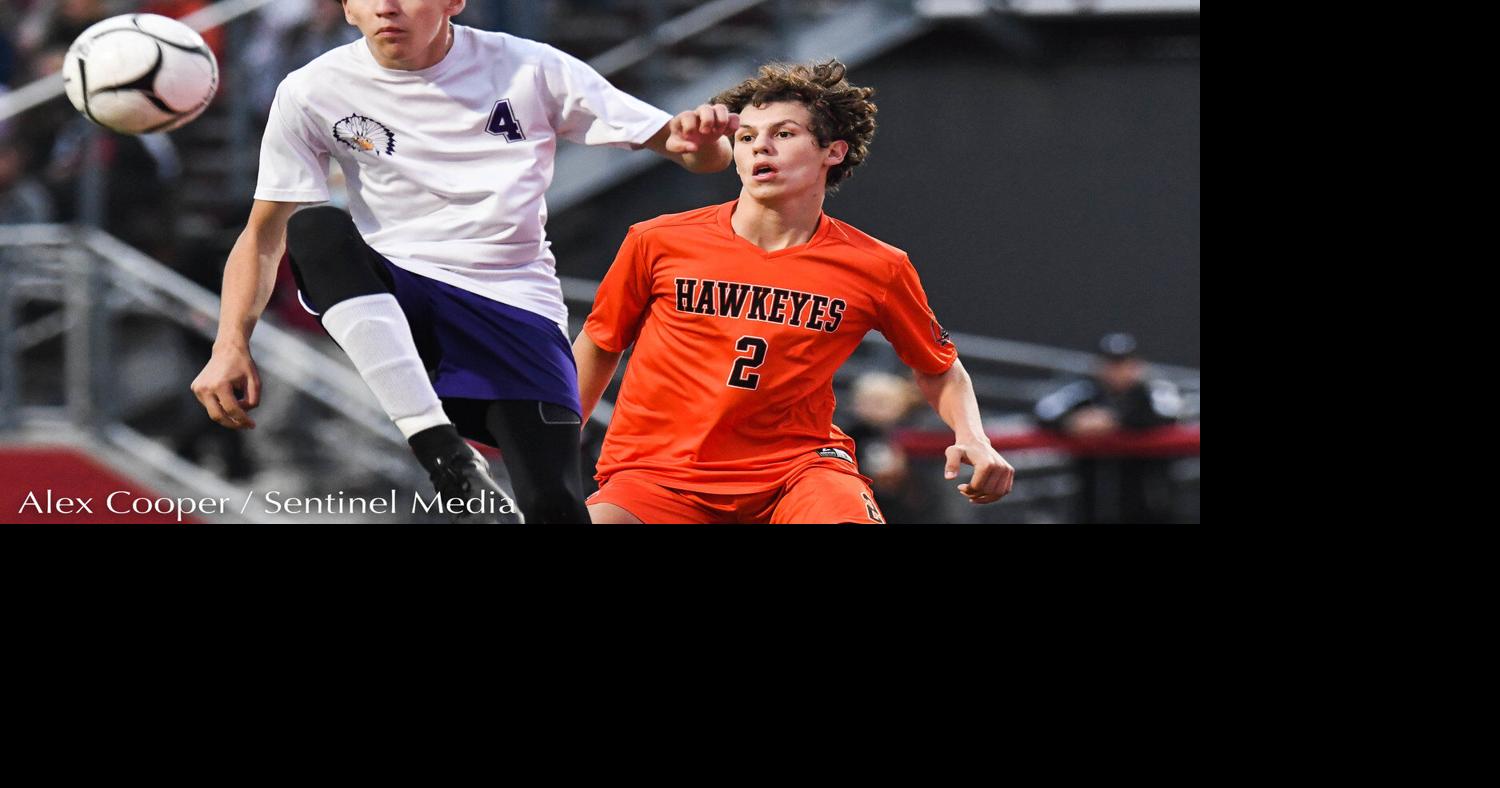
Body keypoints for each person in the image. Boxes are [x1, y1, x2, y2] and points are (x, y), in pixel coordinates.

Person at [189, 0, 737, 523]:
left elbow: (693, 154)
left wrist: (706, 141)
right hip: (402, 297)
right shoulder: (311, 90)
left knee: (554, 506)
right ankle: (444, 454)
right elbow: (262, 237)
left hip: (516, 305)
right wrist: (230, 343)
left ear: (453, 2)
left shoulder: (531, 67)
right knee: (312, 226)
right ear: (346, 9)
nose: (386, 10)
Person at [573, 59, 1015, 524]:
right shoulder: (657, 240)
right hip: (657, 474)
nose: (761, 144)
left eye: (783, 134)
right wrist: (556, 443)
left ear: (834, 151)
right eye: (746, 137)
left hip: (797, 472)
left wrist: (973, 435)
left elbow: (939, 367)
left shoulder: (878, 266)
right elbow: (600, 344)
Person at [1034, 332, 1183, 523]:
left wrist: (1115, 421)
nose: (1118, 371)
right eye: (1111, 363)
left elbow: (1169, 415)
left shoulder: (1153, 391)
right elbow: (1044, 411)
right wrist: (1072, 422)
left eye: (1124, 363)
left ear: (1137, 364)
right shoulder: (1085, 391)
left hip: (1148, 500)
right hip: (1094, 502)